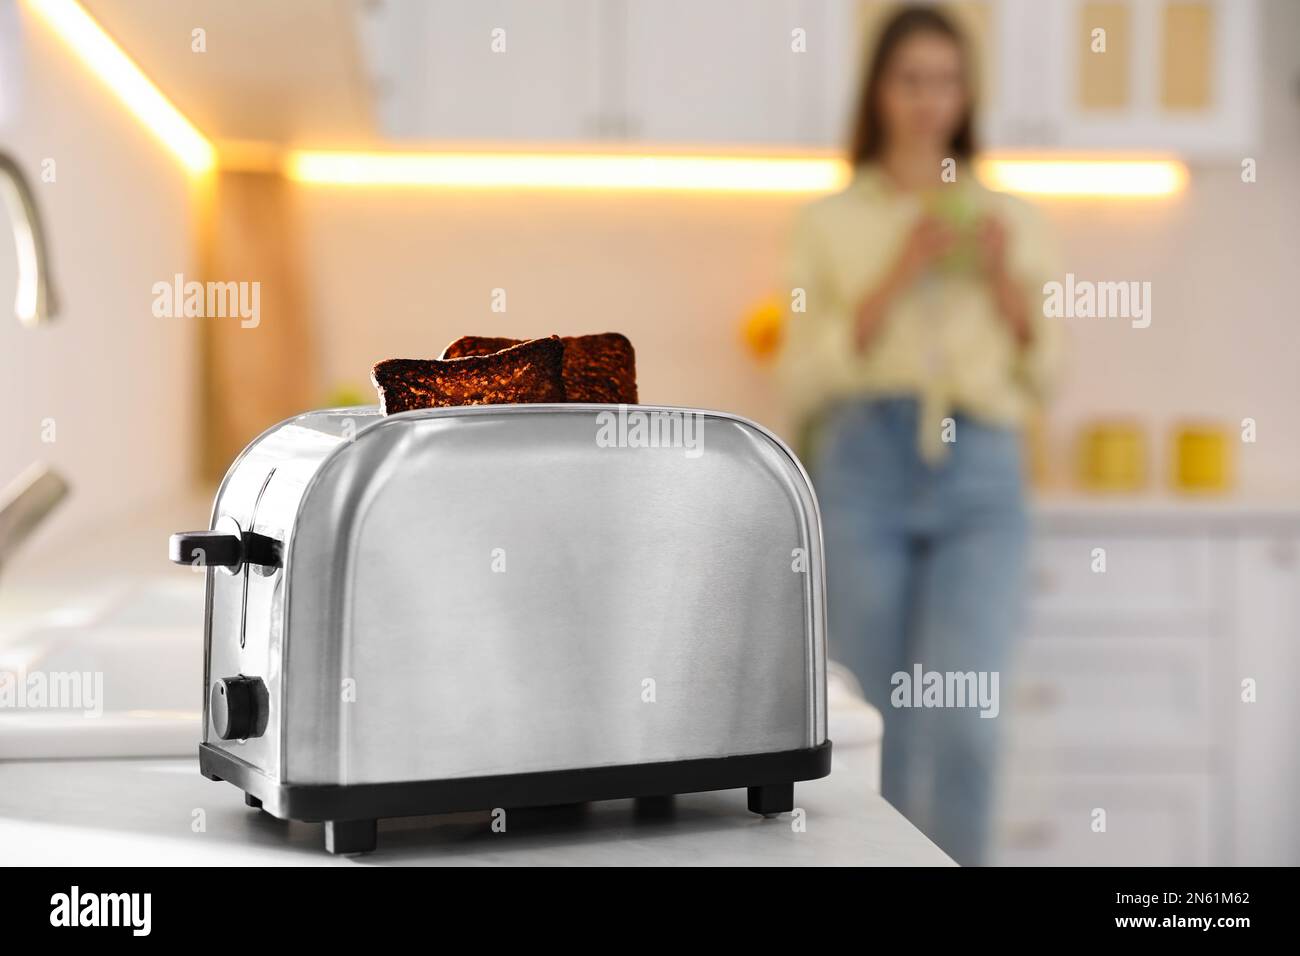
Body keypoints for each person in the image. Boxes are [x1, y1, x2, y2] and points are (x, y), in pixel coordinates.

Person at [777, 6, 1061, 865]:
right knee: (872, 729)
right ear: (880, 92)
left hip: (981, 473)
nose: (929, 99)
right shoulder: (829, 223)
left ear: (966, 94)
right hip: (864, 467)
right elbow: (800, 377)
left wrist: (1009, 288)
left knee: (968, 723)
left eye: (946, 79)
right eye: (911, 80)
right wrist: (898, 272)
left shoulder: (1011, 218)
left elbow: (1046, 375)